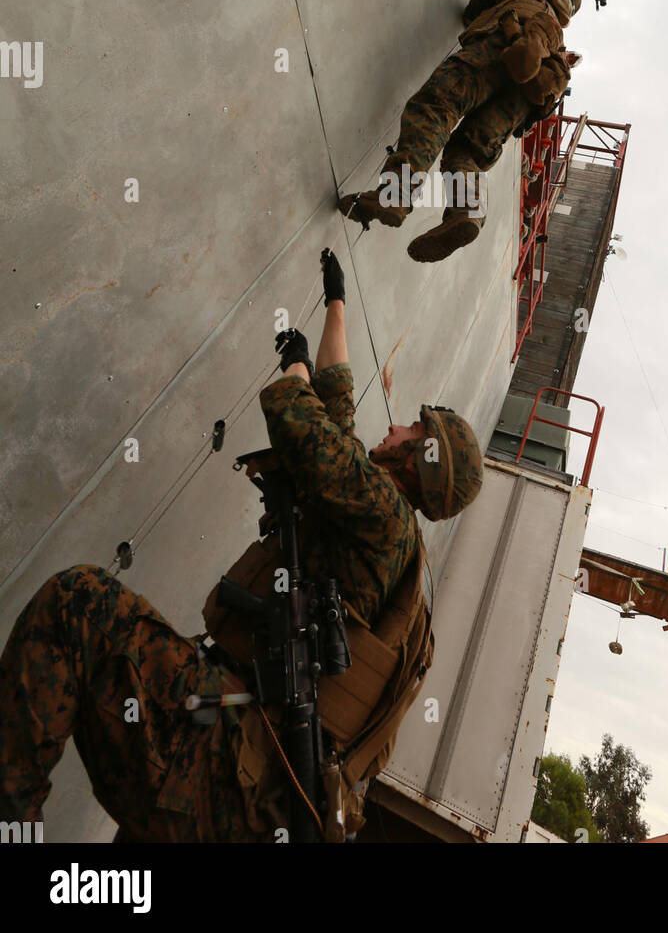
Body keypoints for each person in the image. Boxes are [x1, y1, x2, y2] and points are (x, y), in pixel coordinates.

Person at [0, 250, 483, 842]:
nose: (398, 427)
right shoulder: (388, 536)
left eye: (412, 429)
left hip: (221, 759)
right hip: (245, 784)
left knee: (75, 605)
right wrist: (336, 303)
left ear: (421, 458)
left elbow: (304, 429)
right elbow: (338, 412)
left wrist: (294, 373)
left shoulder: (383, 516)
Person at [338, 0, 583, 262]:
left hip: (492, 55)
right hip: (519, 103)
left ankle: (395, 194)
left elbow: (472, 9)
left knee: (436, 109)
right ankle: (467, 210)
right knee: (467, 152)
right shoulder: (557, 48)